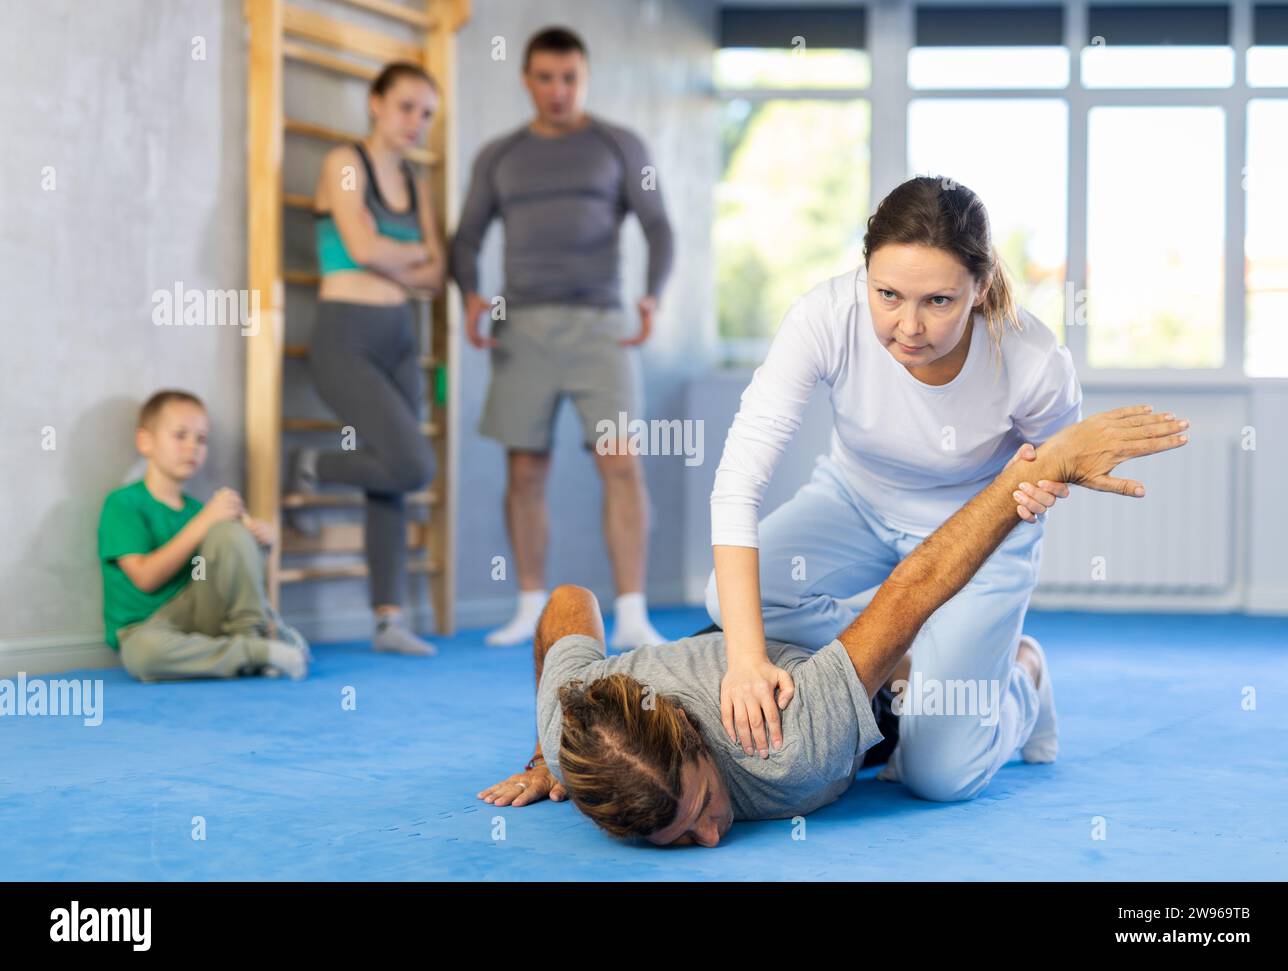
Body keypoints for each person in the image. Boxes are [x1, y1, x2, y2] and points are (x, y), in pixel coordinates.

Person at [478, 404, 1190, 846]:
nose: (709, 835)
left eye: (700, 802)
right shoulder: (572, 727)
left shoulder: (788, 748)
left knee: (943, 772)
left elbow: (908, 596)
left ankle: (1026, 672)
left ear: (696, 738)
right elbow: (568, 600)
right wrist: (546, 757)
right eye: (678, 837)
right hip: (781, 662)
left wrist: (1022, 479)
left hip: (830, 686)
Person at [706, 175, 1081, 802]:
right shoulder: (825, 316)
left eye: (938, 301)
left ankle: (1025, 673)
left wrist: (1047, 481)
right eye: (888, 295)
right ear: (865, 275)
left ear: (979, 288)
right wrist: (744, 661)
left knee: (941, 778)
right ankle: (907, 652)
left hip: (977, 535)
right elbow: (737, 483)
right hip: (854, 500)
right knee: (732, 598)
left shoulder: (1035, 362)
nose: (908, 326)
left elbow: (1052, 471)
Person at [449, 27, 674, 649]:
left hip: (600, 325)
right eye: (546, 78)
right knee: (525, 469)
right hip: (521, 327)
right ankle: (528, 605)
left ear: (584, 77)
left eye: (569, 78)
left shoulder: (619, 145)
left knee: (621, 465)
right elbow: (465, 236)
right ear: (527, 80)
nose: (558, 90)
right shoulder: (499, 155)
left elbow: (659, 226)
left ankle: (631, 611)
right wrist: (471, 292)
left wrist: (651, 292)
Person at [287, 62, 443, 657]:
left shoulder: (416, 184)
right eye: (406, 106)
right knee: (412, 463)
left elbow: (436, 272)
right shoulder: (344, 165)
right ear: (375, 103)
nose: (416, 122)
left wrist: (390, 253)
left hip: (399, 335)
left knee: (395, 475)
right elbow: (358, 246)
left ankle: (386, 620)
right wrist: (406, 254)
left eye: (426, 113)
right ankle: (311, 466)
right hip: (345, 334)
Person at [99, 391, 312, 682]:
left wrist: (262, 544)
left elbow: (230, 572)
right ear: (145, 441)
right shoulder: (123, 504)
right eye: (180, 435)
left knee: (229, 533)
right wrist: (203, 523)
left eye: (201, 439)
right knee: (142, 656)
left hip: (200, 617)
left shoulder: (201, 512)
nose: (192, 447)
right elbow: (145, 578)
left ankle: (252, 635)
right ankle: (252, 654)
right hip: (145, 629)